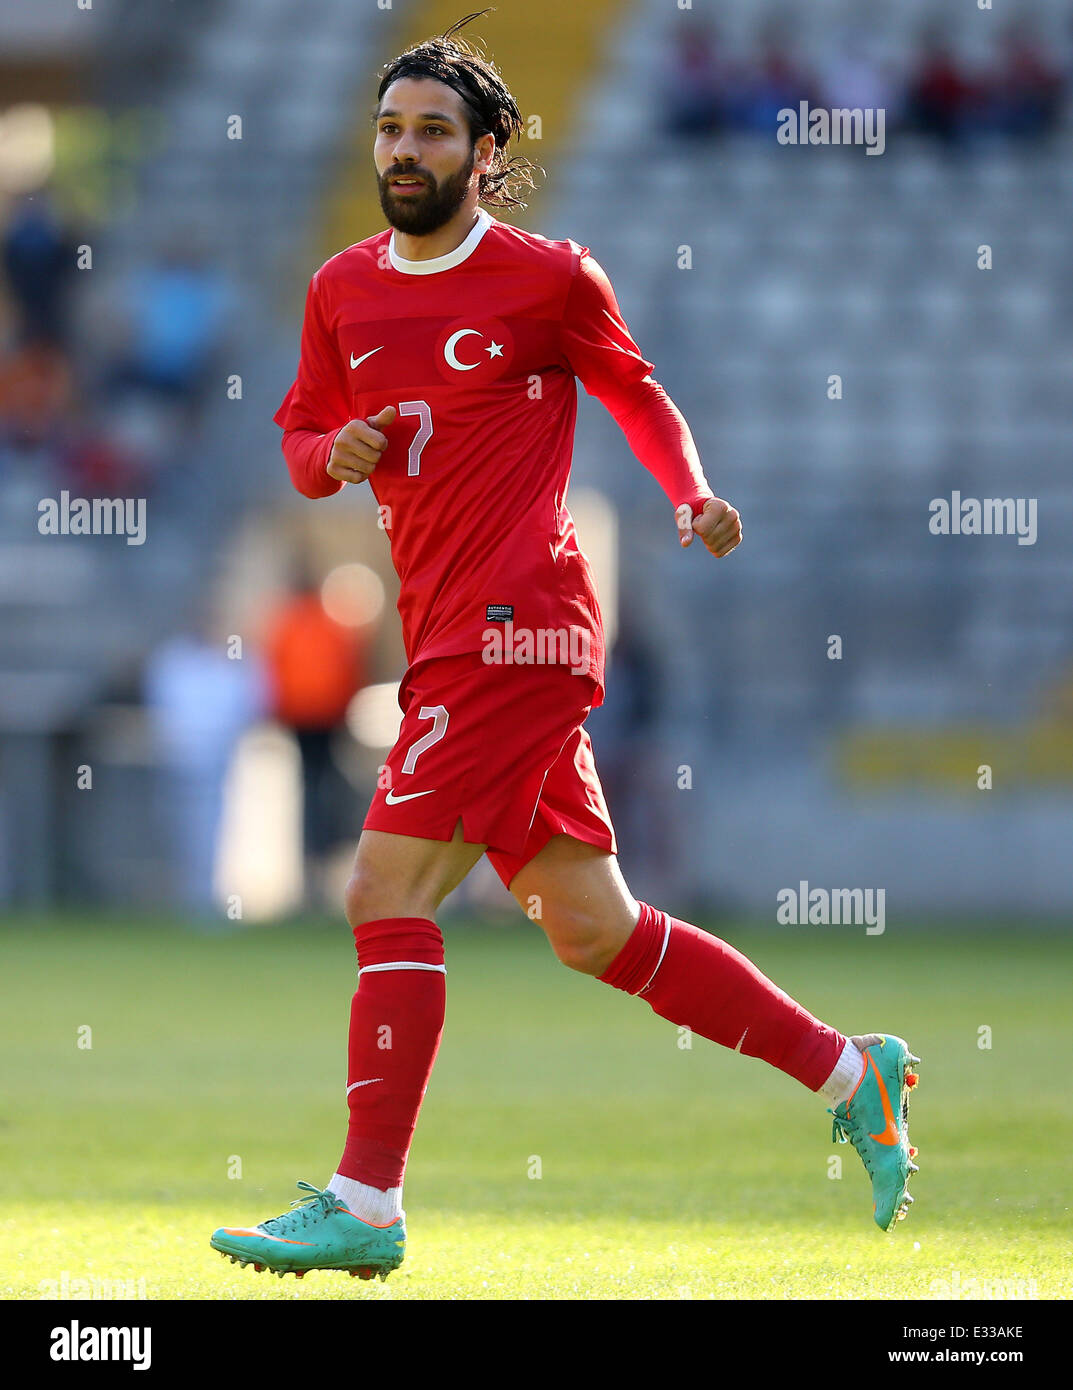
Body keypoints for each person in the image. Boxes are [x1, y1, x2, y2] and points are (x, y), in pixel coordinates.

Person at [211, 12, 918, 1283]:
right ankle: (848, 1070)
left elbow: (635, 391)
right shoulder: (340, 290)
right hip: (443, 636)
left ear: (486, 152)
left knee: (385, 890)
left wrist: (686, 492)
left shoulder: (547, 279)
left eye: (433, 129)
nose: (405, 148)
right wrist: (337, 454)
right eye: (389, 128)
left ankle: (367, 1200)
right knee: (593, 929)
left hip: (518, 629)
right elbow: (301, 436)